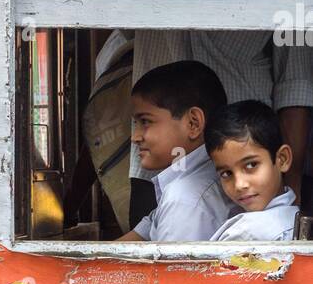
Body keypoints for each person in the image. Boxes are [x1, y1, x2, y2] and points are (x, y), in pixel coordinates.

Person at [130, 29, 313, 223]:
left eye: (145, 121)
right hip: (152, 176)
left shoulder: (195, 203)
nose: (240, 184)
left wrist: (292, 189)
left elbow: (294, 83)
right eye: (226, 173)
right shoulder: (177, 196)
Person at [120, 60, 231, 243]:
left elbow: (169, 272)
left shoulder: (184, 199)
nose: (135, 137)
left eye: (146, 121)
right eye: (135, 123)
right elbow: (143, 232)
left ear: (193, 123)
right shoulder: (192, 180)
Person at [206, 101, 299, 243]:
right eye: (226, 173)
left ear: (282, 159)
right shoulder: (294, 217)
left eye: (251, 165)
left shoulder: (246, 233)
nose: (239, 185)